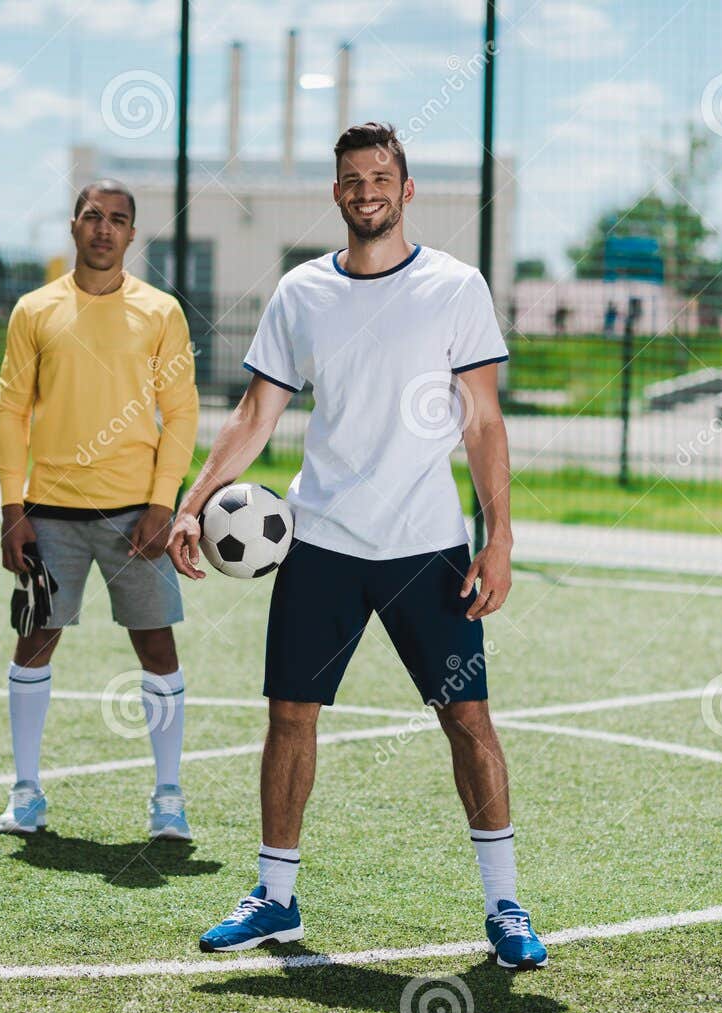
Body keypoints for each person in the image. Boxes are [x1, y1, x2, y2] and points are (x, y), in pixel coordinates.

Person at [168, 123, 547, 969]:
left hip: (428, 546)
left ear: (406, 191)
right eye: (351, 177)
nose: (366, 189)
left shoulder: (455, 287)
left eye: (381, 176)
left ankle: (506, 904)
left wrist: (501, 539)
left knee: (468, 718)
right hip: (321, 543)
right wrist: (193, 503)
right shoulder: (302, 292)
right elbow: (255, 415)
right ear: (336, 192)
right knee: (290, 717)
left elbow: (483, 420)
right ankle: (274, 899)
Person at [0, 179, 200, 840]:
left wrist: (163, 503)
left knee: (156, 645)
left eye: (117, 219)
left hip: (136, 515)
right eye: (92, 216)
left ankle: (168, 798)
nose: (103, 229)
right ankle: (26, 793)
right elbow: (10, 410)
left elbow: (183, 412)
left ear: (132, 233)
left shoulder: (161, 311)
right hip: (50, 513)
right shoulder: (34, 310)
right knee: (34, 641)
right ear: (74, 226)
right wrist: (11, 507)